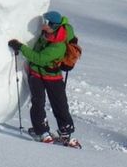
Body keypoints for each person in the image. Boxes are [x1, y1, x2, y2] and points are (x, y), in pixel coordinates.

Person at [8, 10, 78, 146]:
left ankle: (49, 132)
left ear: (54, 26)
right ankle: (52, 131)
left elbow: (39, 58)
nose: (43, 24)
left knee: (54, 103)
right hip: (40, 74)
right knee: (46, 102)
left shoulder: (58, 46)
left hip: (47, 75)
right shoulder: (53, 31)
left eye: (46, 23)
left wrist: (20, 47)